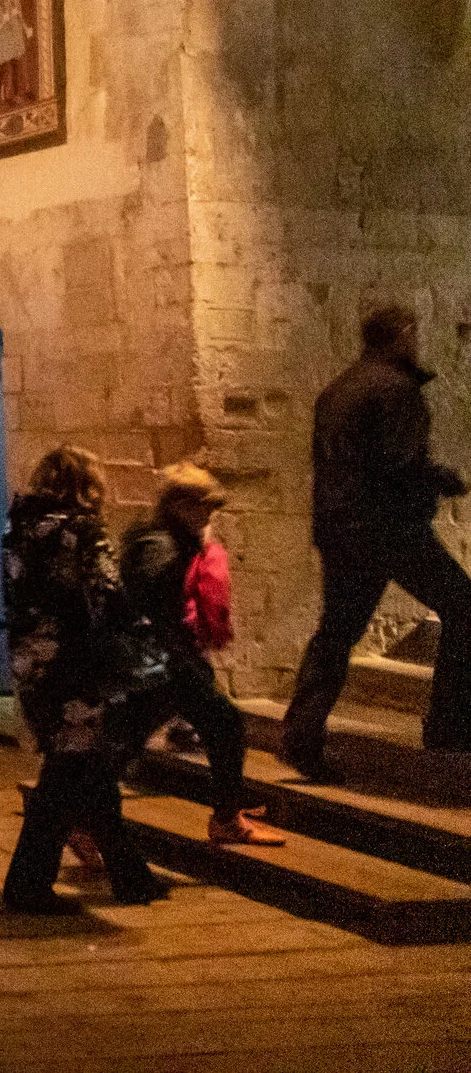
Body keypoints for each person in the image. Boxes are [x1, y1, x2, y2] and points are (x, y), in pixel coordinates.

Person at [283, 304, 471, 780]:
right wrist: (445, 479)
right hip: (389, 528)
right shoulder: (394, 389)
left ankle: (301, 734)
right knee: (464, 604)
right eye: (414, 333)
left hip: (342, 526)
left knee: (337, 632)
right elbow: (398, 464)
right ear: (402, 335)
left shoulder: (338, 390)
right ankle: (451, 727)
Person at [0, 446, 168, 913]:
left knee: (86, 770)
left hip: (33, 662)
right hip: (77, 665)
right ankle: (27, 885)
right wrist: (146, 644)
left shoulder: (18, 529)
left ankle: (131, 875)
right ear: (86, 485)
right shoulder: (83, 530)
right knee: (67, 772)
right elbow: (109, 595)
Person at [114, 465, 287, 845]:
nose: (208, 518)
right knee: (217, 727)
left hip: (172, 657)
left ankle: (227, 815)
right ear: (178, 504)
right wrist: (195, 547)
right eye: (201, 507)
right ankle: (225, 818)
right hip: (163, 659)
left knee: (133, 740)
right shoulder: (157, 542)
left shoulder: (166, 535)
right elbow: (152, 589)